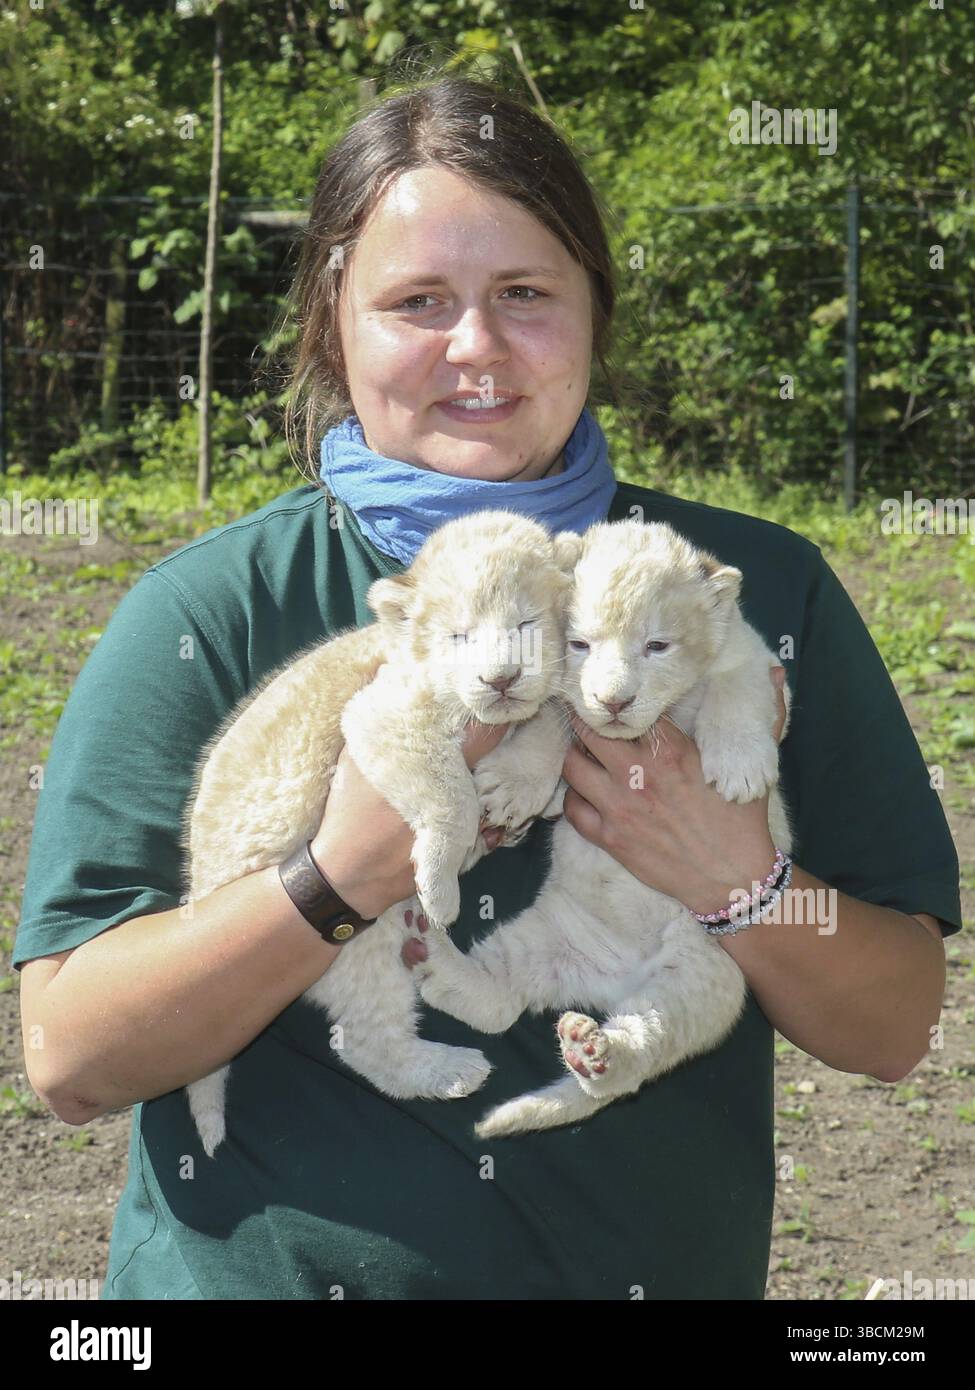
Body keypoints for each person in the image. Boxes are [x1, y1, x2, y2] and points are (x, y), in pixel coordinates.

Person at [15, 74, 961, 1301]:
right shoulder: (209, 612)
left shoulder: (750, 596)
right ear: (331, 324)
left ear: (593, 313)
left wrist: (747, 882)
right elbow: (73, 1054)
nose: (476, 346)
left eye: (525, 293)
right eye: (418, 302)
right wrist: (331, 876)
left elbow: (893, 1025)